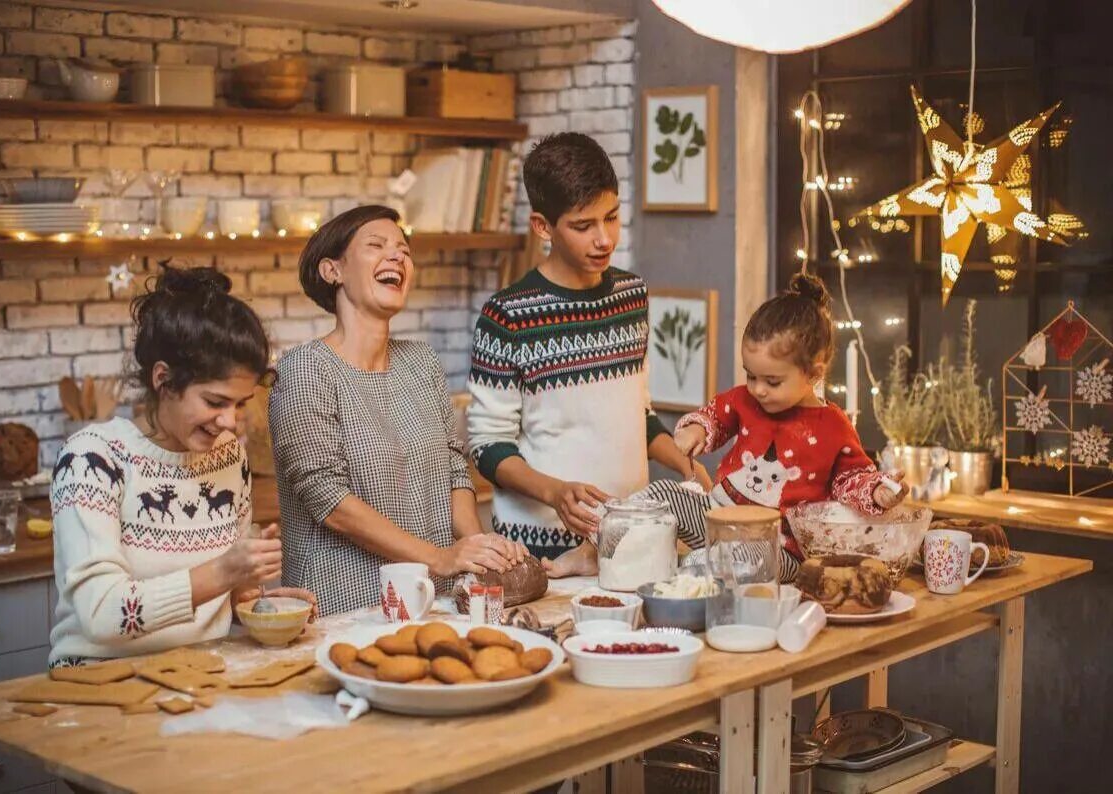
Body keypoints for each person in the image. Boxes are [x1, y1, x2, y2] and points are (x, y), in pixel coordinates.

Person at [48, 267, 315, 668]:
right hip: (97, 682)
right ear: (163, 379)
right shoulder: (91, 459)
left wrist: (259, 604)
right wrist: (225, 572)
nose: (230, 422)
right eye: (214, 402)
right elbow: (101, 615)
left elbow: (222, 597)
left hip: (201, 672)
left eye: (240, 403)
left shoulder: (227, 455)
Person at [467, 132, 707, 577]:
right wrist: (557, 492)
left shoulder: (632, 294)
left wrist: (681, 460)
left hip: (632, 539)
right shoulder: (507, 316)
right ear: (543, 226)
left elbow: (639, 413)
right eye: (583, 226)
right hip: (538, 550)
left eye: (612, 217)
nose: (604, 239)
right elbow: (487, 448)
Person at [270, 204, 526, 616]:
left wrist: (478, 556)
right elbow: (330, 501)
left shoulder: (421, 362)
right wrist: (439, 558)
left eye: (404, 250)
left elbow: (453, 470)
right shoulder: (303, 369)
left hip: (436, 600)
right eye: (376, 245)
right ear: (332, 270)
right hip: (345, 609)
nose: (397, 256)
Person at [647, 272, 908, 581]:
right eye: (751, 375)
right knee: (661, 492)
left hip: (778, 549)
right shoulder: (746, 400)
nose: (758, 389)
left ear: (813, 373)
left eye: (772, 381)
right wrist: (697, 429)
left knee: (748, 558)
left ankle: (697, 567)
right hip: (717, 518)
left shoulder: (833, 427)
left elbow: (852, 478)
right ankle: (609, 539)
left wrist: (877, 491)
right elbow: (715, 416)